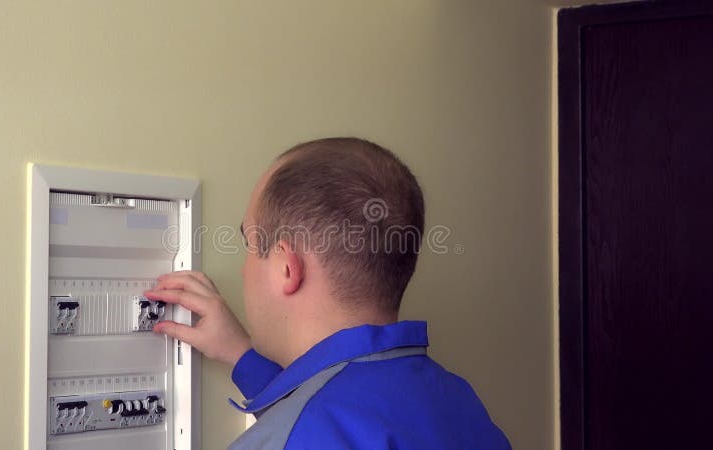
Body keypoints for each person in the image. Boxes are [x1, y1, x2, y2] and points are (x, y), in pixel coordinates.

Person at [144, 138, 511, 449]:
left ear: (287, 268)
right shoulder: (458, 403)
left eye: (251, 245)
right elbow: (336, 412)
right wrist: (243, 356)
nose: (244, 268)